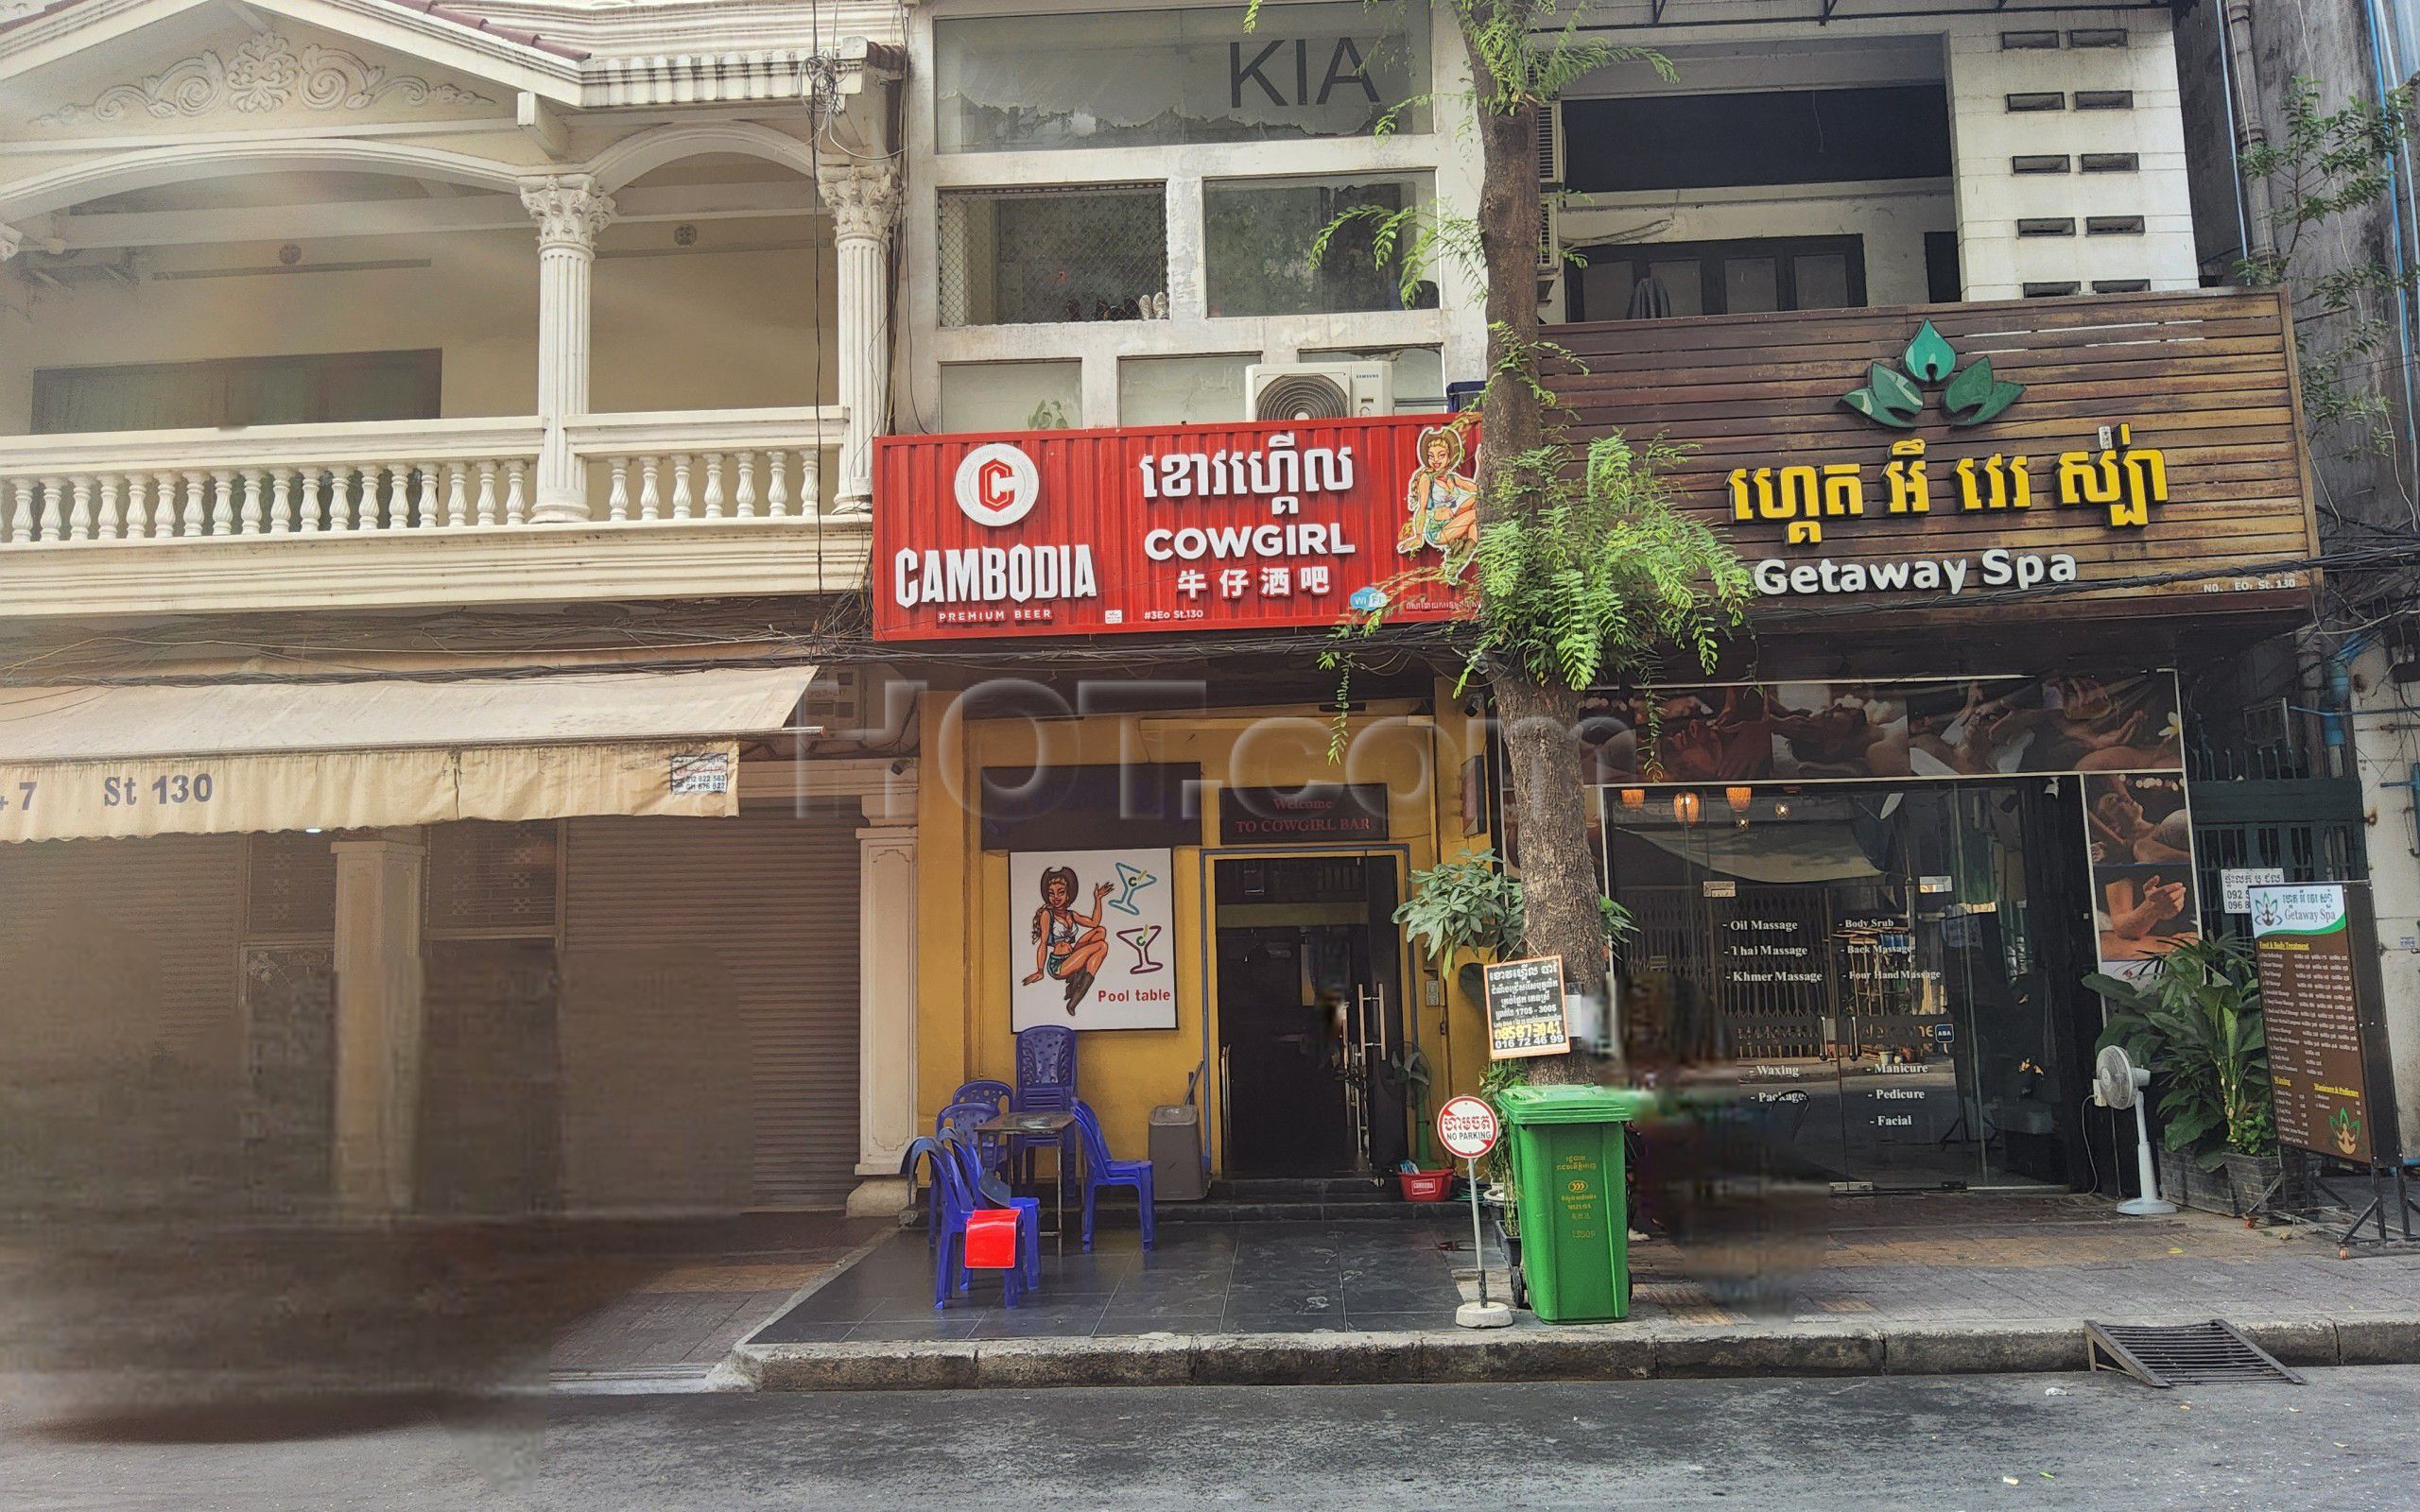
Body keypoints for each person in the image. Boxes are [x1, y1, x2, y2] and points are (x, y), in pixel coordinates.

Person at [1023, 866, 1114, 1014]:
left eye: (1061, 892)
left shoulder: (1071, 914)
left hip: (1072, 956)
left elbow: (1094, 923)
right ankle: (1074, 1001)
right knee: (1102, 946)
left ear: (1068, 895)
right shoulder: (1047, 914)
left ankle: (1077, 982)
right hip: (1059, 965)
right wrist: (1040, 970)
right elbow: (1044, 942)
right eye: (1051, 893)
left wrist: (1098, 899)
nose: (1056, 897)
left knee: (1100, 931)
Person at [1399, 426, 1480, 572]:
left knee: (1475, 516)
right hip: (1436, 530)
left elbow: (1478, 489)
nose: (1436, 460)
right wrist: (1418, 536)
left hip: (1453, 522)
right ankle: (1454, 561)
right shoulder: (1427, 479)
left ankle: (1455, 565)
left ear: (1449, 457)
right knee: (1477, 513)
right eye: (1431, 456)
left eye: (1441, 455)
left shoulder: (1453, 479)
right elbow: (1422, 508)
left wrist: (1480, 465)